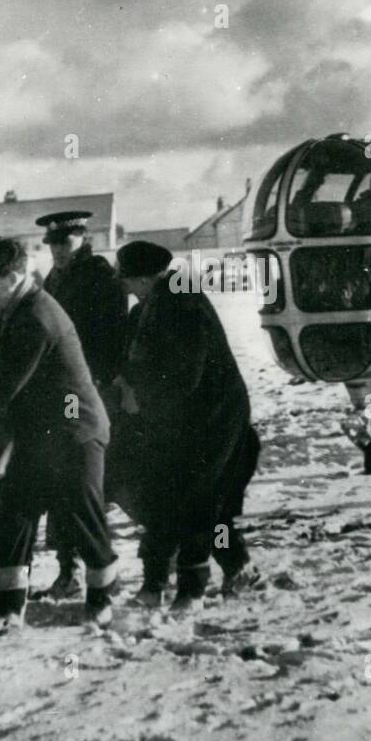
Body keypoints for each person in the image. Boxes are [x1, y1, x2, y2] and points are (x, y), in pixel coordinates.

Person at [0, 237, 119, 646]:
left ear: (11, 277)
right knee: (15, 516)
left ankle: (101, 598)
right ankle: (7, 615)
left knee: (84, 516)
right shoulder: (17, 306)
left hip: (75, 431)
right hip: (40, 432)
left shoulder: (36, 317)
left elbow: (7, 387)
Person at [114, 240, 262, 611]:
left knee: (196, 500)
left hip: (213, 416)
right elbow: (141, 361)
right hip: (177, 417)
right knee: (189, 501)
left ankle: (191, 588)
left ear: (147, 279)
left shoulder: (183, 302)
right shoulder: (147, 309)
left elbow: (184, 373)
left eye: (129, 280)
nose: (126, 288)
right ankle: (236, 566)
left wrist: (139, 397)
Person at [34, 210, 129, 599]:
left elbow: (113, 333)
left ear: (83, 238)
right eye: (53, 244)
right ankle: (67, 568)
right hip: (61, 393)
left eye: (65, 242)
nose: (58, 251)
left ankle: (102, 566)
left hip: (90, 393)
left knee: (90, 483)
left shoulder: (100, 276)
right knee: (65, 478)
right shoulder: (55, 278)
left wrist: (97, 380)